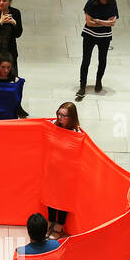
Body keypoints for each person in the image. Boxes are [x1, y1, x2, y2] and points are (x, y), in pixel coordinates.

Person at [77, 0, 118, 100]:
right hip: (89, 35)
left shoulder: (112, 3)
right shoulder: (91, 3)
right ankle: (82, 85)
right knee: (86, 60)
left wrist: (99, 21)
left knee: (102, 60)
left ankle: (98, 81)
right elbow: (89, 23)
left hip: (104, 37)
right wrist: (105, 23)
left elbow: (113, 23)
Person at [46, 101, 81, 238]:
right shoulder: (53, 125)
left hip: (67, 173)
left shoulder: (77, 132)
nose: (59, 117)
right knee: (51, 195)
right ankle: (50, 221)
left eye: (63, 115)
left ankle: (59, 225)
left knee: (63, 198)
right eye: (59, 113)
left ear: (71, 118)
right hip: (53, 170)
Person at [0, 54, 29, 118]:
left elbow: (16, 102)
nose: (6, 70)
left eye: (8, 67)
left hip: (9, 115)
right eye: (3, 67)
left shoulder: (16, 80)